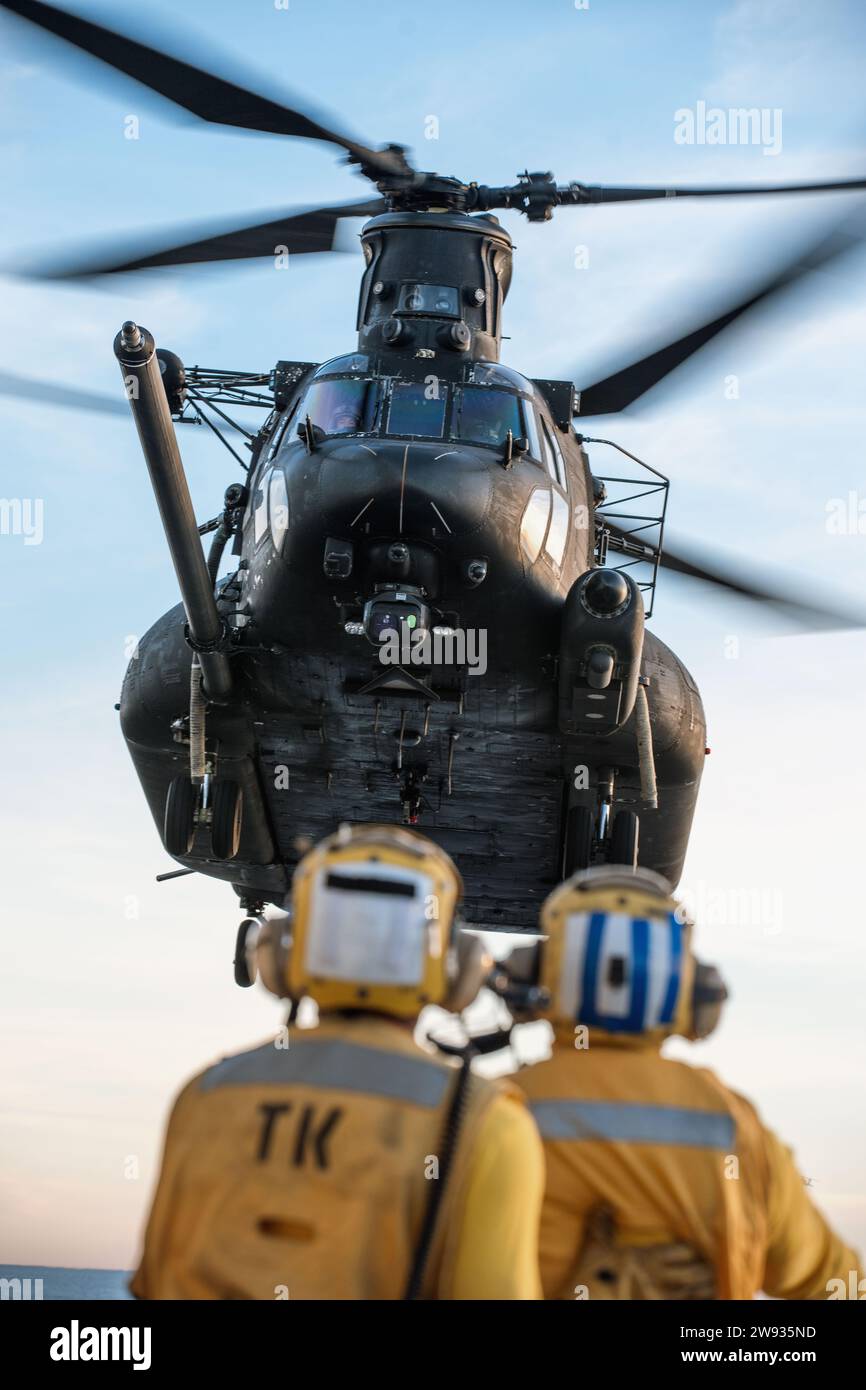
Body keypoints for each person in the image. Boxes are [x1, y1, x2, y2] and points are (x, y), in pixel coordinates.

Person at [131, 824, 544, 1300]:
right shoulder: (487, 1123)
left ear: (283, 952)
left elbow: (155, 1282)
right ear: (460, 965)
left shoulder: (204, 1095)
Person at [496, 864, 862, 1300]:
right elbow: (837, 1283)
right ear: (694, 993)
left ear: (535, 974)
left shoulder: (494, 1109)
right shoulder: (737, 1129)